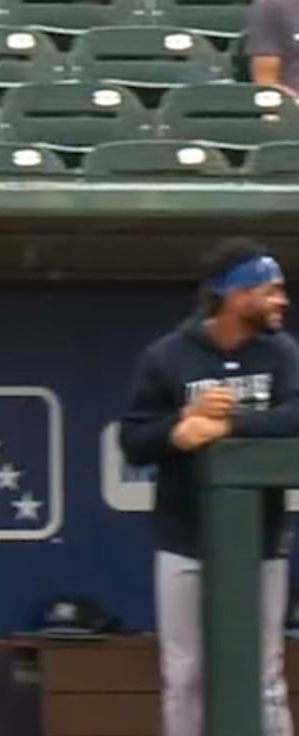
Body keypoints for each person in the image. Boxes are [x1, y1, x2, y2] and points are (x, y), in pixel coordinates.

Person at [118, 238, 299, 736]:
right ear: (236, 295)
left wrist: (228, 424)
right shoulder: (168, 356)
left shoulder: (281, 353)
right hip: (185, 539)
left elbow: (295, 414)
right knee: (185, 675)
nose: (281, 301)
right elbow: (134, 439)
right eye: (270, 290)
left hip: (262, 539)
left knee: (264, 675)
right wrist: (179, 428)